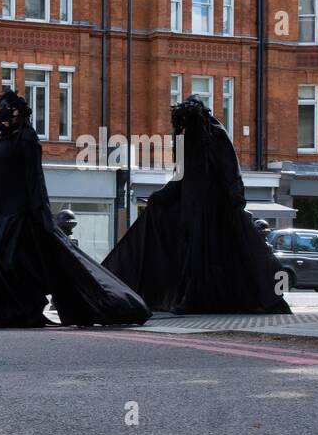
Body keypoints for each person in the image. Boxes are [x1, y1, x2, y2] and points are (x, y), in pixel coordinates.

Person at [0, 89, 151, 328]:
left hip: (20, 211)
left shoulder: (27, 138)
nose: (4, 113)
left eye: (9, 108)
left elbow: (34, 178)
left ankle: (30, 309)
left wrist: (41, 213)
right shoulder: (1, 138)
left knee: (9, 259)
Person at [102, 97, 291, 315]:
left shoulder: (215, 135)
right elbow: (180, 178)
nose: (183, 128)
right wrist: (159, 197)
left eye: (185, 122)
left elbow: (230, 171)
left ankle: (192, 299)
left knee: (199, 255)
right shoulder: (193, 138)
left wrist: (236, 202)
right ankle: (191, 298)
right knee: (192, 254)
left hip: (211, 210)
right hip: (192, 210)